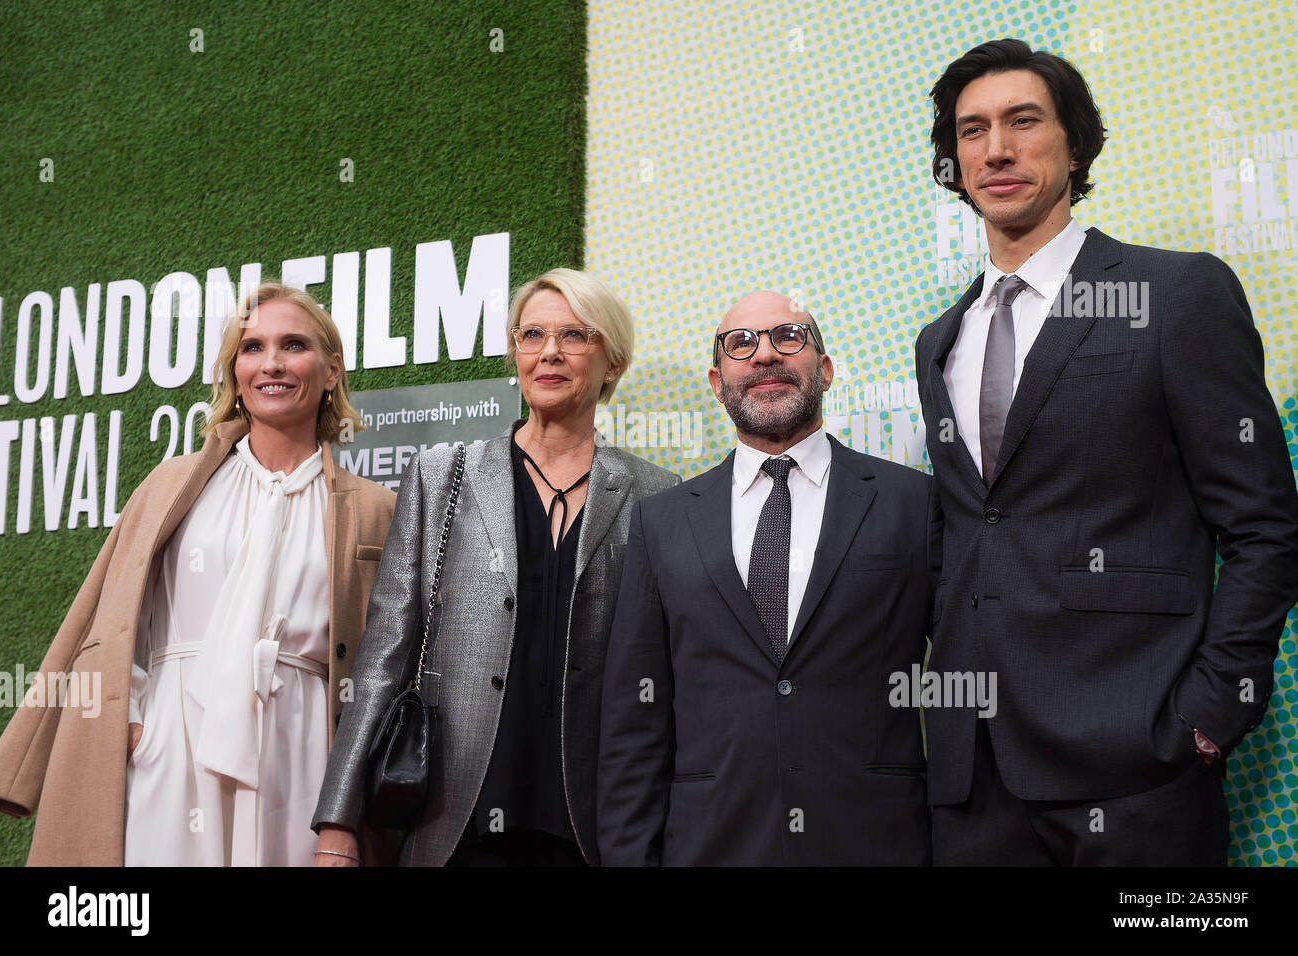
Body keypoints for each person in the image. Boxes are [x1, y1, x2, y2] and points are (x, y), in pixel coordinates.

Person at [915, 38, 1298, 865]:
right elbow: (971, 533)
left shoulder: (1175, 294)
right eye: (971, 130)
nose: (997, 149)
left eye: (1023, 121)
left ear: (1076, 143)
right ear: (953, 160)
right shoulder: (938, 340)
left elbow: (1266, 530)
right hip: (972, 782)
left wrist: (1203, 719)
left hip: (1137, 769)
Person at [0, 282, 396, 865]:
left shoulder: (376, 507)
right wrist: (132, 721)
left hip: (304, 745)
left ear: (331, 369)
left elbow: (386, 665)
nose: (272, 364)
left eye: (294, 345)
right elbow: (103, 620)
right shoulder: (174, 484)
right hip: (173, 742)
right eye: (252, 348)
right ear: (235, 371)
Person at [312, 267, 679, 866]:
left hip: (597, 832)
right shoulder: (442, 476)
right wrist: (338, 821)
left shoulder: (656, 494)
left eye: (575, 336)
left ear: (611, 362)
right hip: (455, 825)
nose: (550, 353)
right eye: (531, 335)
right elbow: (384, 656)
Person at [597, 291, 934, 865]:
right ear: (715, 379)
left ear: (825, 370)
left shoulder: (915, 501)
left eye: (788, 337)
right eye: (741, 344)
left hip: (877, 841)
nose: (763, 356)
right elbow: (635, 717)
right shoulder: (664, 520)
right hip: (712, 844)